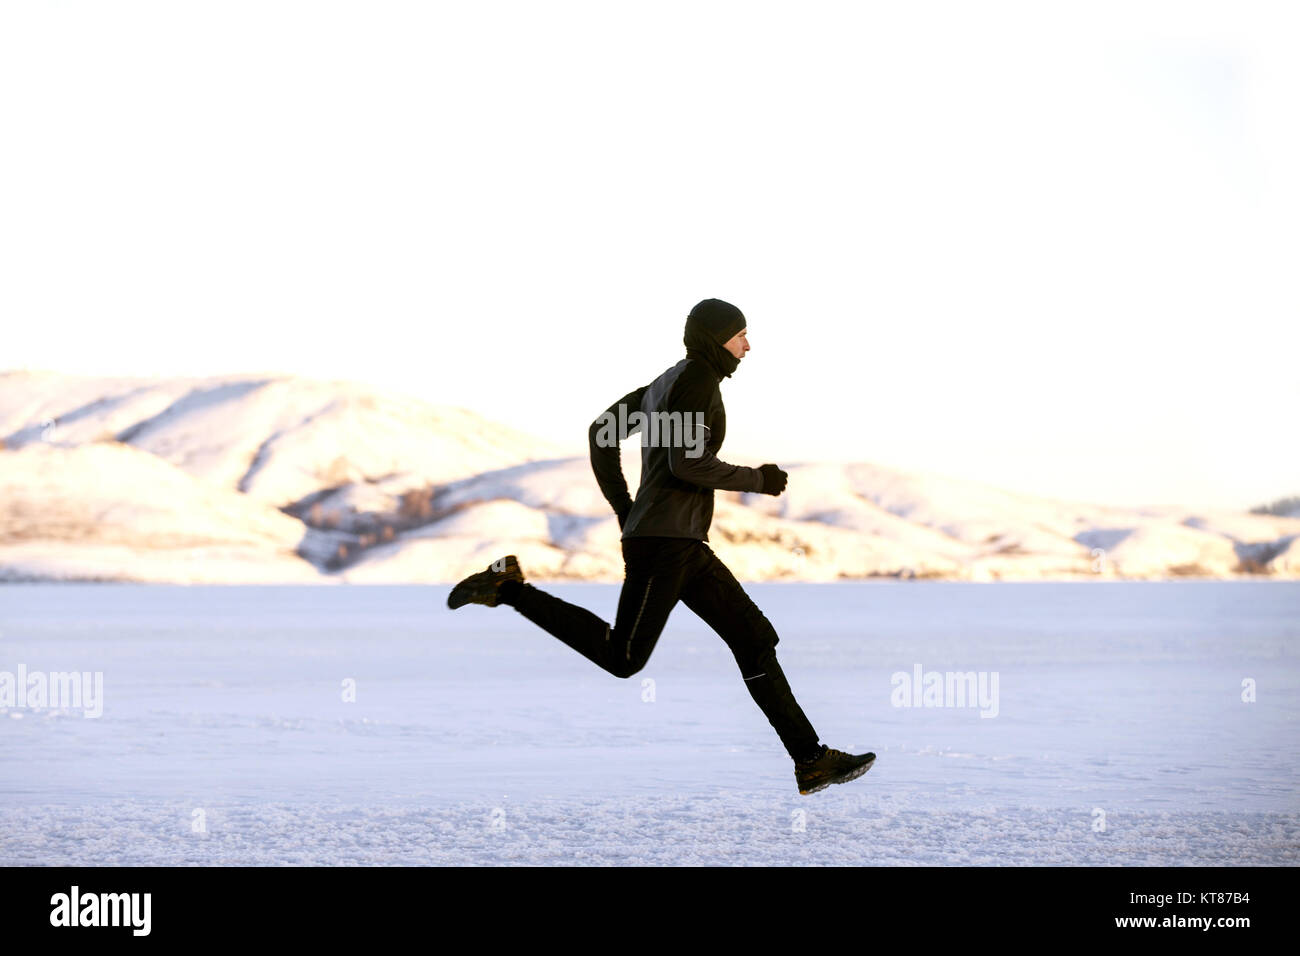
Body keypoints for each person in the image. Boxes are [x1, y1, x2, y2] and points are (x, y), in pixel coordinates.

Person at [448, 298, 874, 795]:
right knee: (624, 657)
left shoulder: (665, 383)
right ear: (716, 338)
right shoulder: (695, 382)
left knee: (754, 639)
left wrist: (625, 507)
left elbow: (600, 432)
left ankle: (811, 761)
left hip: (682, 542)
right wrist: (756, 479)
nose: (747, 346)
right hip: (662, 544)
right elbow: (686, 465)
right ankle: (508, 588)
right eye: (740, 336)